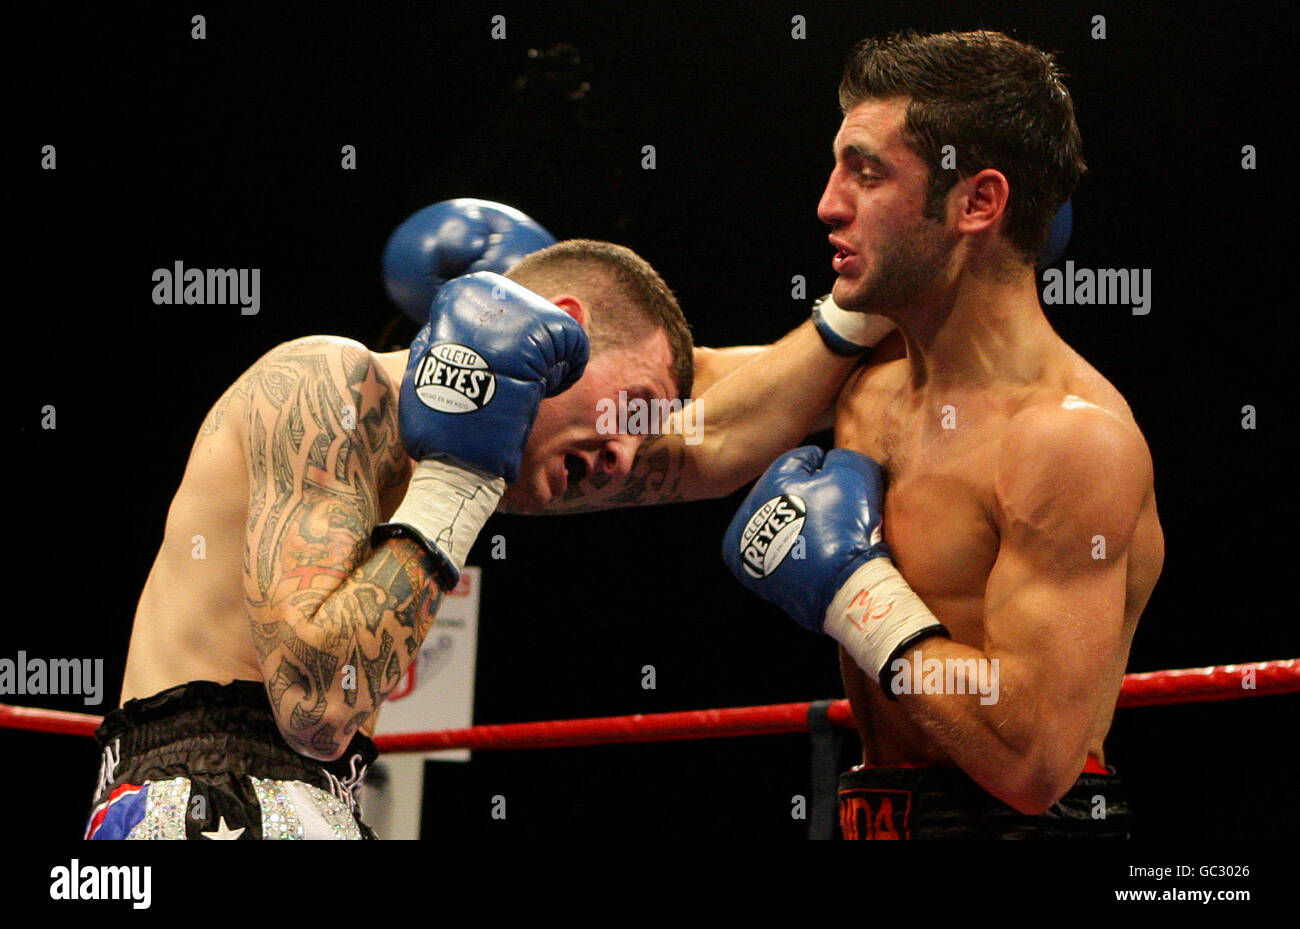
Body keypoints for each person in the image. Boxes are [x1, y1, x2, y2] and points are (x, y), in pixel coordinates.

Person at [86, 201, 892, 839]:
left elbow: (721, 433)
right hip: (197, 801)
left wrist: (887, 307)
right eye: (633, 409)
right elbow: (317, 705)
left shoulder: (521, 454)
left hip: (317, 800)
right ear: (557, 330)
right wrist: (463, 471)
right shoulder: (322, 382)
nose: (626, 457)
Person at [723, 30, 1164, 839]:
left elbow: (1033, 760)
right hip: (869, 809)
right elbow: (699, 415)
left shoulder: (1070, 441)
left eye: (867, 171)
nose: (828, 202)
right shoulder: (868, 393)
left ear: (977, 203)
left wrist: (859, 596)